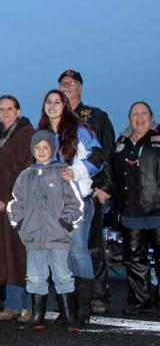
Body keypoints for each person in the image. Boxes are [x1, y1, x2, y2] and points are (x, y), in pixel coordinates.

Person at [38, 89, 104, 324]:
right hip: (51, 206)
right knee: (60, 255)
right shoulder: (42, 134)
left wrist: (75, 171)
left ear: (65, 106)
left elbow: (98, 157)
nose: (52, 105)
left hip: (77, 201)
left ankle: (83, 308)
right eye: (49, 102)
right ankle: (67, 306)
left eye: (57, 102)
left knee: (77, 250)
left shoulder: (79, 130)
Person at [7, 130, 84, 333]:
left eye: (45, 147)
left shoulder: (62, 172)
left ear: (52, 149)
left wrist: (65, 223)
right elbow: (16, 203)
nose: (41, 151)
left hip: (57, 237)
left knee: (62, 275)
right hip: (33, 238)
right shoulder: (25, 176)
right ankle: (38, 317)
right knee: (34, 277)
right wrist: (21, 225)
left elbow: (75, 203)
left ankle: (69, 318)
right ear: (32, 150)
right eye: (37, 148)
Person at [58, 69, 116, 314]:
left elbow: (106, 153)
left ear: (80, 87)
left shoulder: (95, 116)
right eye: (62, 84)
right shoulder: (56, 117)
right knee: (67, 247)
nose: (66, 87)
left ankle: (97, 295)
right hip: (62, 195)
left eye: (71, 83)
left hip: (90, 190)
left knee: (91, 245)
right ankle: (71, 298)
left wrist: (105, 187)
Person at [109, 101, 160, 315]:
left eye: (143, 113)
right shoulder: (121, 142)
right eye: (134, 114)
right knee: (135, 260)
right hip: (131, 213)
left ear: (152, 116)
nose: (139, 118)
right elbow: (111, 174)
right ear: (129, 117)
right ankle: (141, 301)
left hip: (157, 210)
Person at [0, 95, 35, 322]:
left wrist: (6, 196)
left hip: (18, 204)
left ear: (18, 111)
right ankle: (12, 304)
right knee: (8, 253)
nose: (5, 113)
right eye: (1, 110)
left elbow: (24, 169)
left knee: (21, 253)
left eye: (9, 109)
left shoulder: (26, 134)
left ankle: (28, 306)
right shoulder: (3, 136)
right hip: (2, 204)